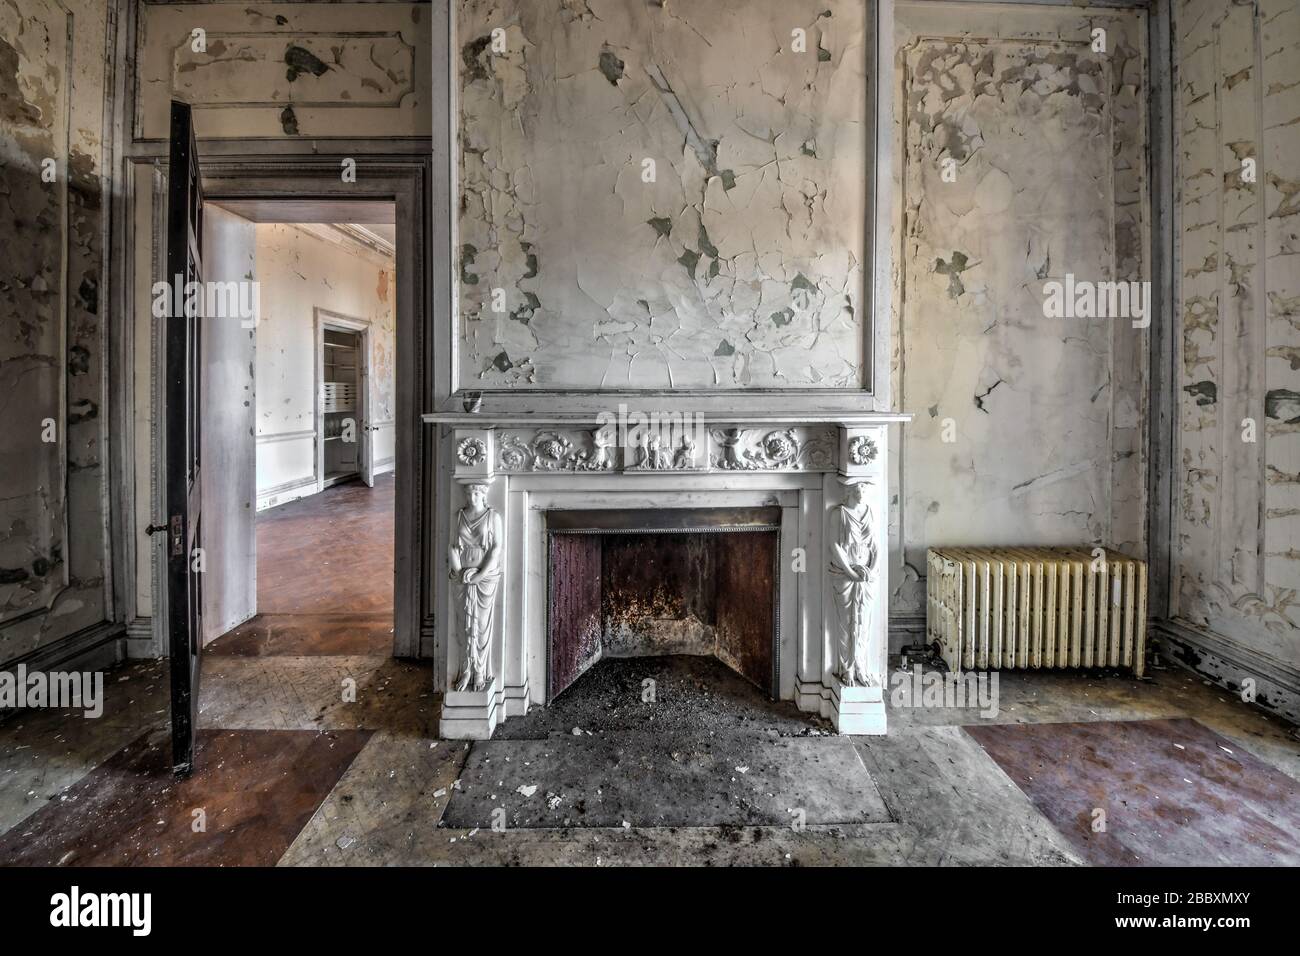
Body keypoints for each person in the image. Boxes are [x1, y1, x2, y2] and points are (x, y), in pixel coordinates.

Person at [448, 481, 502, 692]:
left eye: (476, 494)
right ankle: (466, 670)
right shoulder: (458, 516)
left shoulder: (493, 517)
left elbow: (496, 548)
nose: (472, 498)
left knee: (480, 625)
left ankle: (479, 670)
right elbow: (452, 547)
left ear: (483, 495)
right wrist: (460, 572)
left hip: (485, 578)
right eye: (469, 494)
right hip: (461, 578)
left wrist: (480, 574)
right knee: (463, 625)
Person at [828, 478, 877, 686]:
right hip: (844, 575)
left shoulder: (870, 512)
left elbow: (875, 546)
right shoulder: (838, 513)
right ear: (848, 490)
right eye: (858, 487)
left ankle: (861, 667)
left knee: (864, 623)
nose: (862, 491)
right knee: (846, 623)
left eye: (864, 487)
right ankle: (847, 668)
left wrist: (870, 571)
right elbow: (835, 545)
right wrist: (850, 572)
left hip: (866, 577)